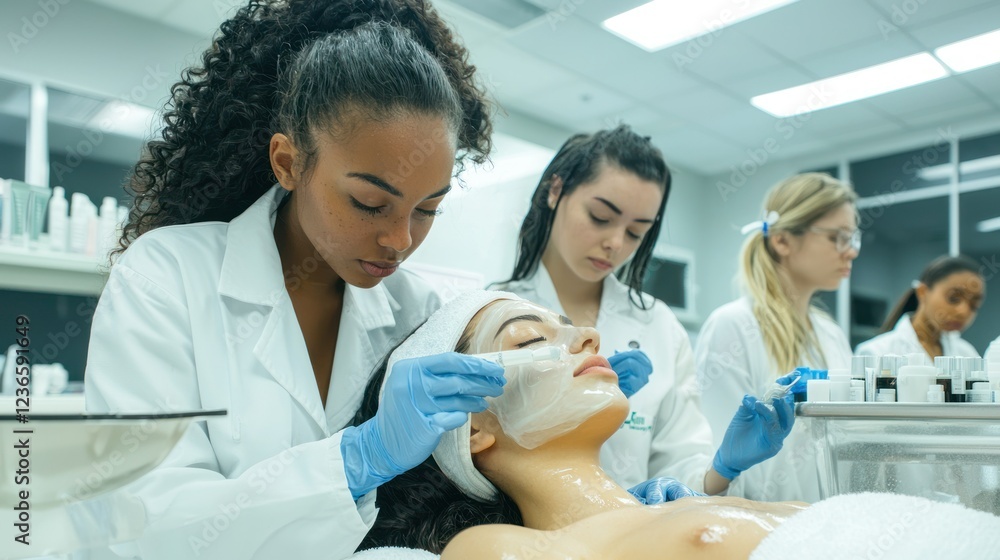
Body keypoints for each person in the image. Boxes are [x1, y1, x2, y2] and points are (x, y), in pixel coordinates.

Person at [83, 1, 501, 558]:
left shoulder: (417, 310)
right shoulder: (168, 276)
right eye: (370, 203)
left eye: (427, 209)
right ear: (287, 162)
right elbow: (142, 520)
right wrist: (358, 458)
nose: (399, 240)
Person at [357, 291, 1000, 559]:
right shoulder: (490, 547)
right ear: (472, 430)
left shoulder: (655, 515)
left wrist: (714, 478)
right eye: (530, 339)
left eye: (570, 323)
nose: (586, 334)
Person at [494, 125, 794, 498]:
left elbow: (680, 461)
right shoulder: (497, 314)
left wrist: (723, 467)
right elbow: (478, 451)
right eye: (600, 217)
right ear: (555, 190)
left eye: (636, 232)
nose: (615, 244)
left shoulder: (659, 326)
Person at [696, 172, 859, 503]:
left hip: (828, 526)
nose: (851, 252)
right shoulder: (734, 326)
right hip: (757, 534)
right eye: (838, 238)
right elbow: (717, 468)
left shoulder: (831, 335)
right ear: (782, 241)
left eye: (853, 238)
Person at [857, 255, 984, 359]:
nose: (963, 312)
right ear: (922, 292)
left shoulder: (967, 354)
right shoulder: (875, 353)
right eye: (954, 298)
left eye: (974, 305)